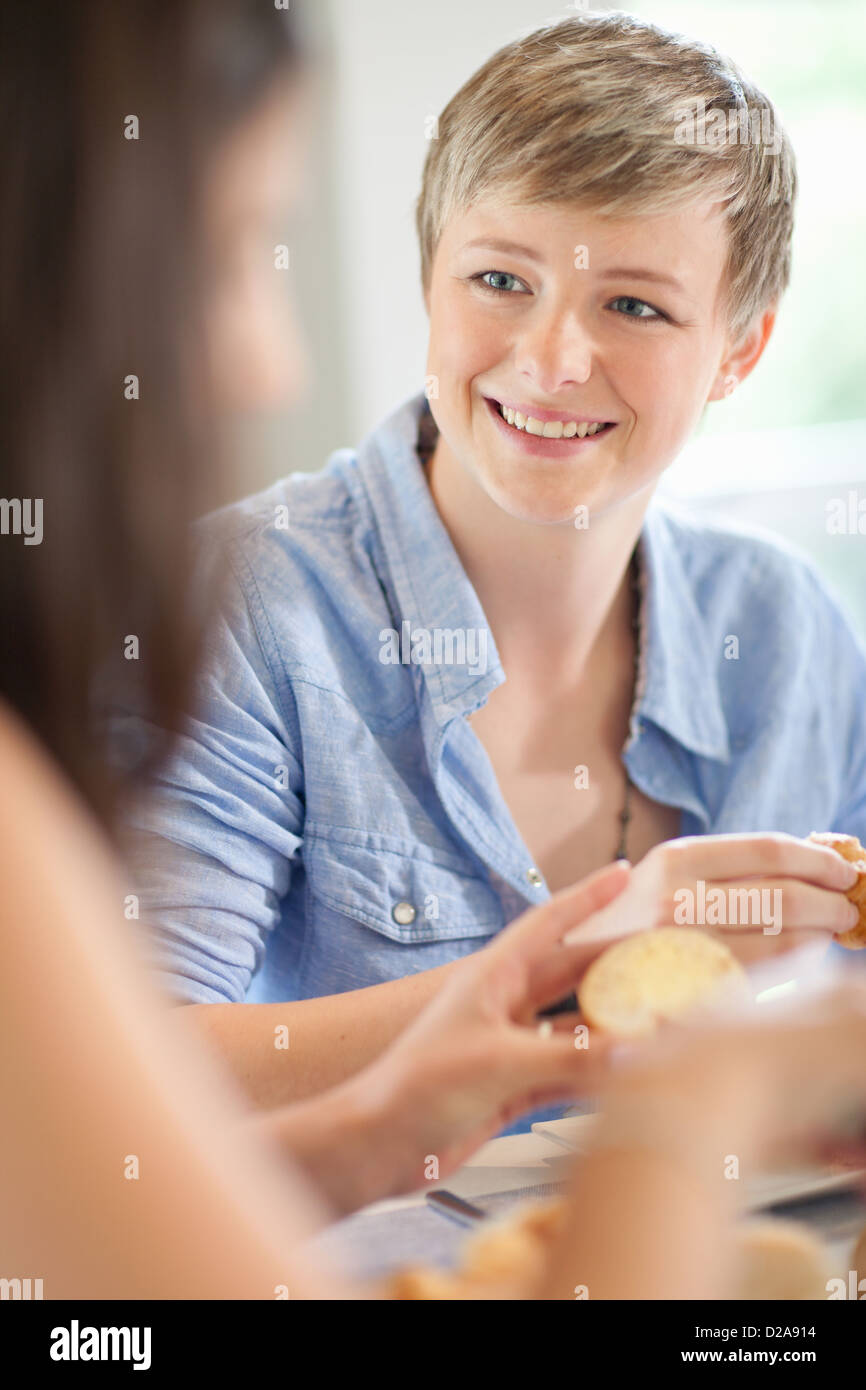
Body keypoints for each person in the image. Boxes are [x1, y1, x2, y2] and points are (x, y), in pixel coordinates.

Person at [2, 0, 866, 1303]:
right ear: (427, 276)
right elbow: (125, 1080)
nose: (553, 358)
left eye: (634, 303)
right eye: (500, 280)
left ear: (740, 347)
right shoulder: (240, 606)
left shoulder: (790, 630)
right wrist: (593, 977)